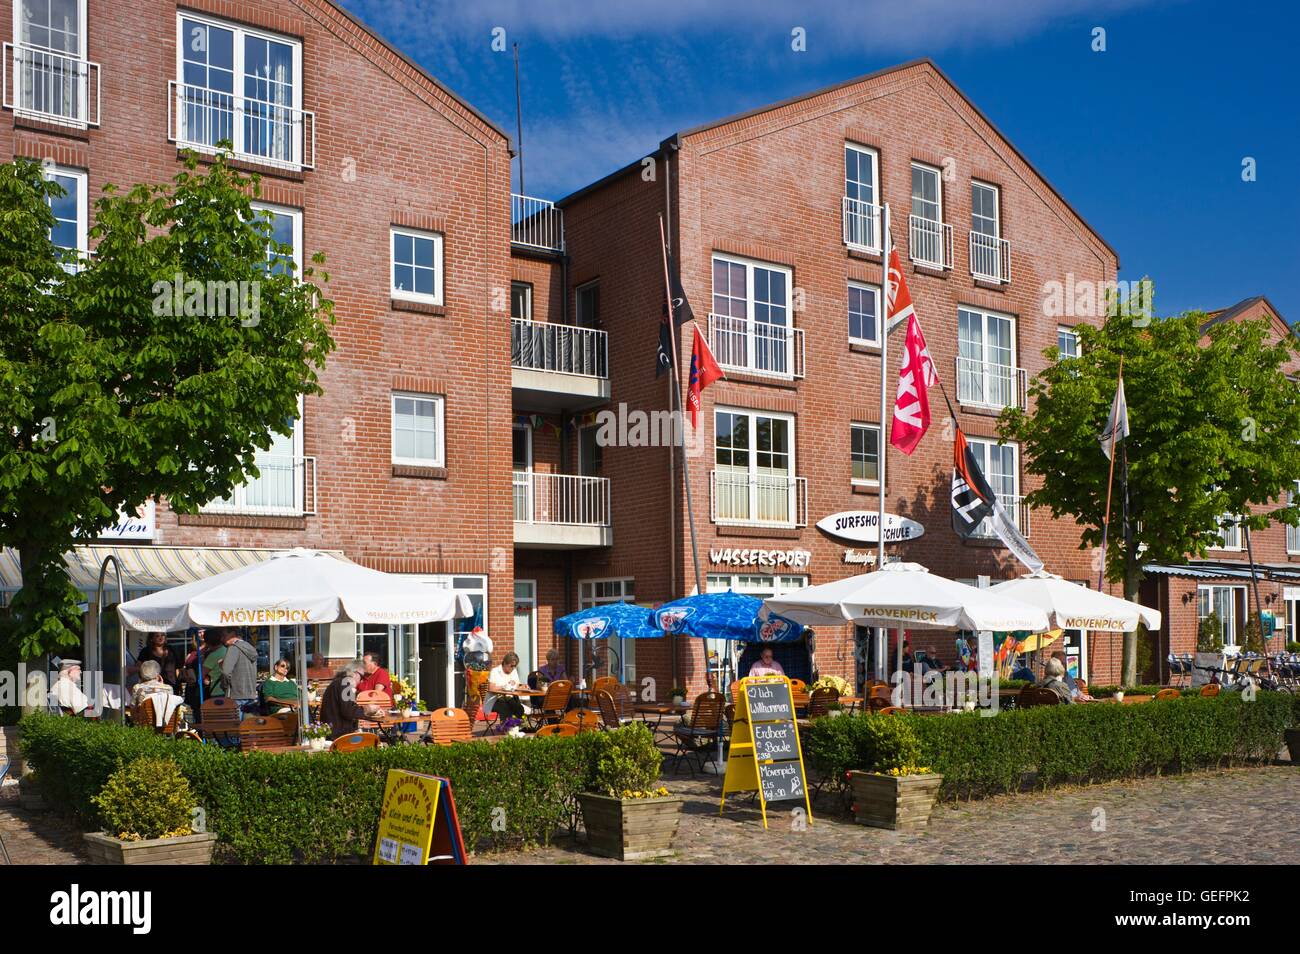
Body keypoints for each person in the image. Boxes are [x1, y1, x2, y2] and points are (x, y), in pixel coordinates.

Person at [320, 662, 383, 739]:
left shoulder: (339, 683)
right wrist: (368, 709)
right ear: (354, 673)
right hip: (339, 735)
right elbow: (348, 711)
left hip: (333, 732)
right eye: (362, 677)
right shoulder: (345, 683)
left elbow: (347, 708)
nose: (361, 681)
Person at [131, 660, 184, 727]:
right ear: (158, 674)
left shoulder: (137, 687)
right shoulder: (168, 688)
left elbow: (133, 709)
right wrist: (161, 684)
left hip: (144, 725)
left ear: (141, 673)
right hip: (165, 725)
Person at [219, 628, 259, 718]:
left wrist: (225, 686)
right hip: (250, 694)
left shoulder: (233, 648)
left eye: (224, 635)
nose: (222, 639)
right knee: (247, 728)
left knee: (234, 727)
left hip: (236, 695)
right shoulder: (250, 647)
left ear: (233, 634)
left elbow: (226, 672)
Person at [485, 652, 528, 720]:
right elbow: (491, 688)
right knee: (506, 707)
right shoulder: (495, 671)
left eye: (515, 666)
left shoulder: (514, 671)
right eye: (511, 666)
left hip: (510, 699)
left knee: (520, 708)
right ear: (505, 663)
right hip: (495, 700)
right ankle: (506, 728)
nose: (513, 668)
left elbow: (516, 686)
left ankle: (518, 727)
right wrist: (504, 687)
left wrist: (522, 686)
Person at [200, 629, 227, 700]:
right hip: (227, 690)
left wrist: (202, 656)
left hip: (217, 691)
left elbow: (201, 674)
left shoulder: (213, 656)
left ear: (207, 643)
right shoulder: (227, 650)